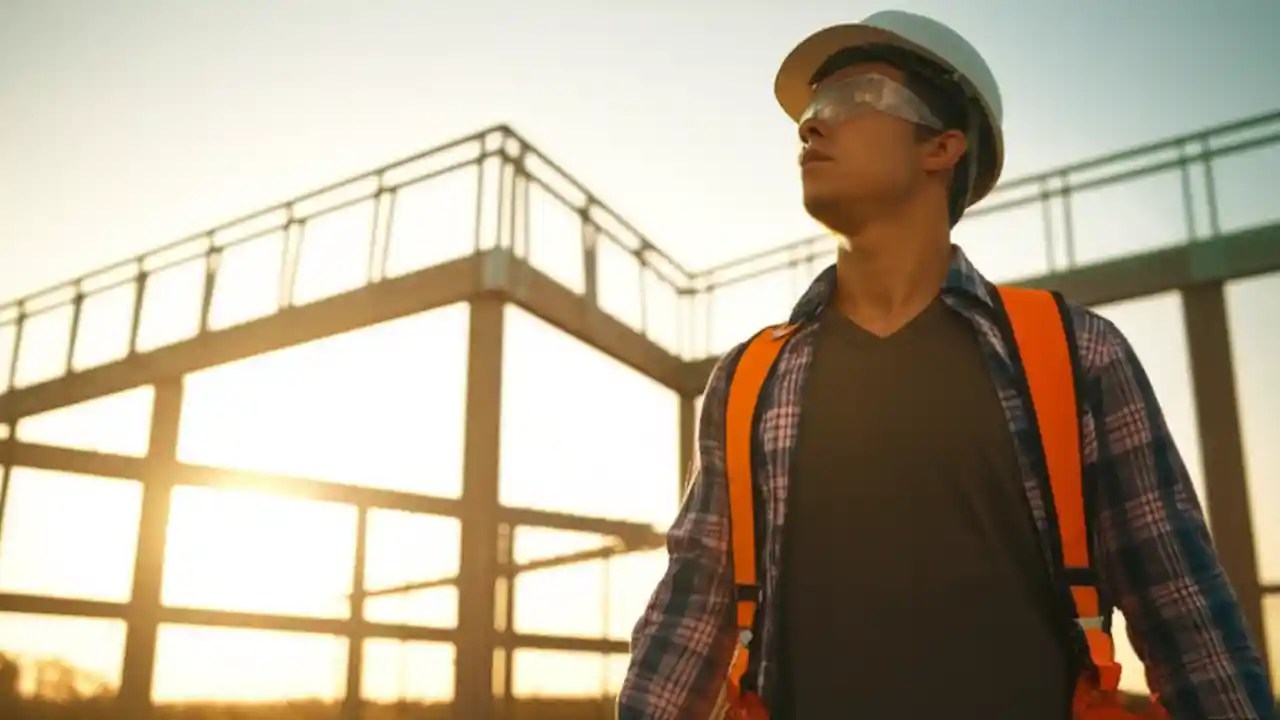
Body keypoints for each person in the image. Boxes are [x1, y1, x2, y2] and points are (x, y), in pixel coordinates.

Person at [617, 10, 1275, 719]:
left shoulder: (1074, 354)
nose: (810, 125)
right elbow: (688, 617)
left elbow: (1183, 610)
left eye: (850, 100)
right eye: (809, 112)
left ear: (943, 147)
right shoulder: (750, 380)